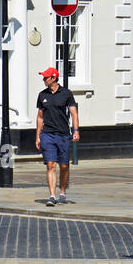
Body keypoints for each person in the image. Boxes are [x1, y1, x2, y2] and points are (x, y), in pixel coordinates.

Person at [35, 66, 79, 207]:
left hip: (63, 135)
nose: (43, 79)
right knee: (50, 165)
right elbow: (40, 117)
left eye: (46, 77)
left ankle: (63, 191)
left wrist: (76, 130)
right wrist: (38, 136)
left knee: (64, 166)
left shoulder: (66, 94)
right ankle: (52, 196)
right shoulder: (42, 95)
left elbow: (74, 113)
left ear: (54, 78)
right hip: (47, 134)